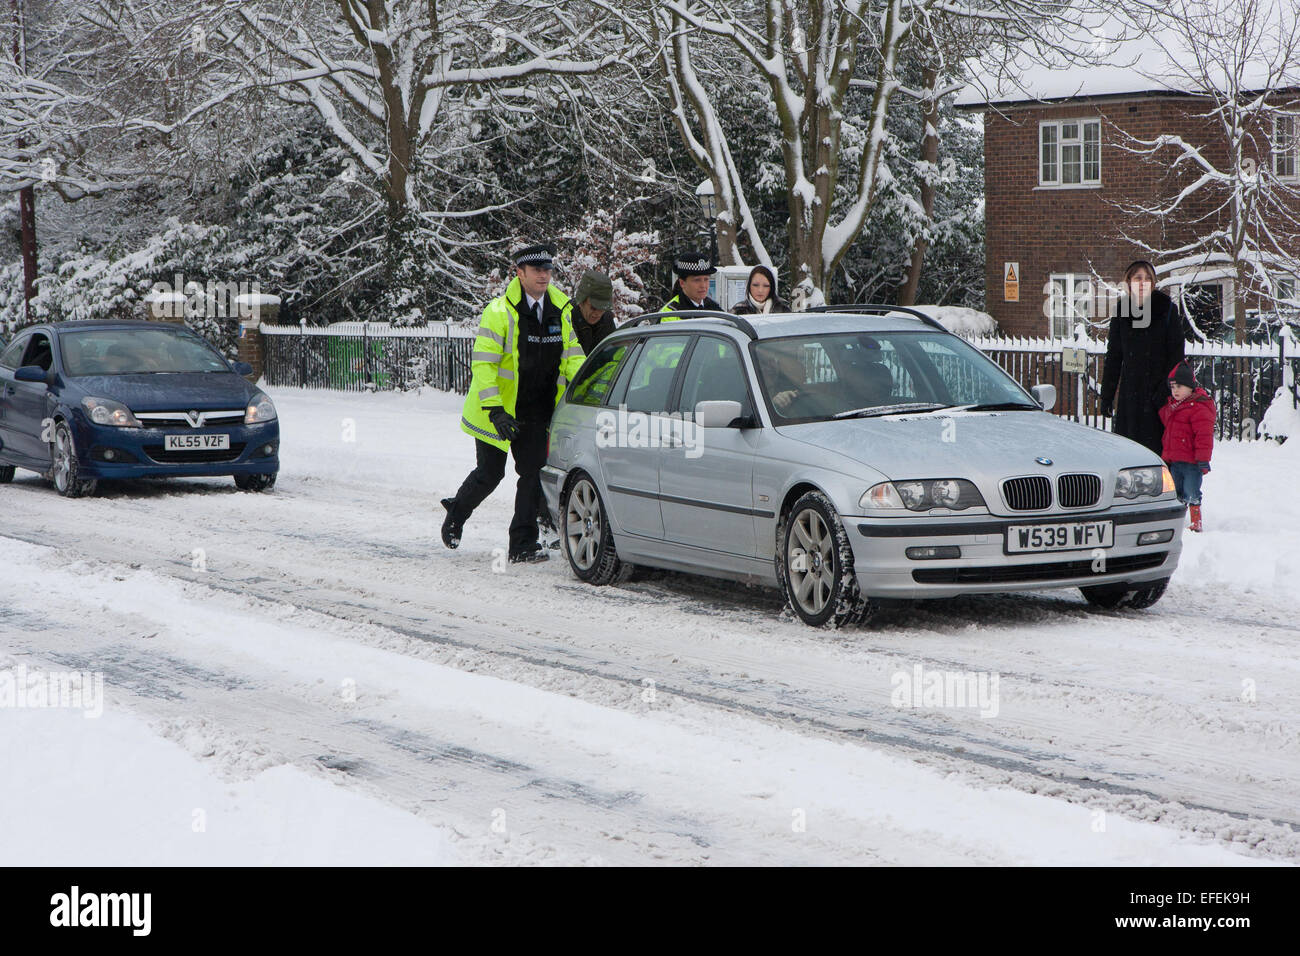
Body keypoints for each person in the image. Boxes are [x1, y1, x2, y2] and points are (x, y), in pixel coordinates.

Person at [440, 243, 585, 562]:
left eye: (548, 270)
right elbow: (484, 365)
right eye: (537, 270)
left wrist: (590, 386)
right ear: (519, 273)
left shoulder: (561, 310)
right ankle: (457, 511)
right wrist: (495, 411)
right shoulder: (499, 312)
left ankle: (522, 544)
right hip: (499, 409)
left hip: (538, 410)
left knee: (532, 474)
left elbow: (573, 356)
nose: (544, 276)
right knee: (491, 474)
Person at [1099, 260, 1187, 455]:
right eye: (1138, 278)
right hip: (1130, 397)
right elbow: (1114, 356)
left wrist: (1166, 390)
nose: (1143, 282)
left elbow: (1176, 354)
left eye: (1148, 279)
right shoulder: (1122, 311)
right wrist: (1107, 396)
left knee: (1156, 455)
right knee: (1129, 454)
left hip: (1158, 396)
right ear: (1129, 281)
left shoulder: (1166, 309)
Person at [1159, 361, 1215, 533]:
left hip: (1192, 463)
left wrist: (1203, 459)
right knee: (1176, 493)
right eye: (1173, 387)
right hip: (1175, 461)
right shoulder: (1174, 407)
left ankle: (1196, 521)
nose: (1175, 391)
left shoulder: (1199, 407)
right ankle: (1178, 521)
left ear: (1190, 387)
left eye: (1179, 386)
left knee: (1191, 491)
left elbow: (1204, 436)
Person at [659, 250, 722, 317]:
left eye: (706, 279)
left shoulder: (714, 308)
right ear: (682, 283)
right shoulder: (670, 314)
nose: (703, 285)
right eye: (697, 280)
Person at [572, 269, 616, 354]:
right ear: (581, 302)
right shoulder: (565, 319)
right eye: (593, 307)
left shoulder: (607, 321)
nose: (598, 314)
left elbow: (614, 355)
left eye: (603, 308)